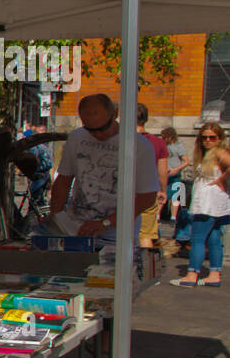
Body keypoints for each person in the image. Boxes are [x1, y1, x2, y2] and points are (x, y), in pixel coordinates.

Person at [42, 93, 159, 245]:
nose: (98, 134)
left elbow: (147, 197)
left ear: (115, 114)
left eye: (103, 128)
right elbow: (64, 179)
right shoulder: (77, 137)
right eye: (90, 129)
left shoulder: (139, 145)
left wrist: (105, 223)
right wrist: (55, 214)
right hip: (76, 229)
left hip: (116, 237)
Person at [171, 122, 230, 286]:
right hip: (213, 203)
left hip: (208, 203)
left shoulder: (219, 152)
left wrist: (221, 180)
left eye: (212, 137)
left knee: (197, 238)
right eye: (204, 137)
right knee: (214, 238)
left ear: (220, 138)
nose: (208, 140)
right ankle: (214, 274)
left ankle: (192, 274)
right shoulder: (208, 154)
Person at [135, 104, 169, 250]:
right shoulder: (158, 142)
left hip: (120, 192)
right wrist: (163, 190)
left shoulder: (118, 139)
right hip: (147, 192)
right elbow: (162, 171)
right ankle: (144, 270)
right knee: (145, 235)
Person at [161, 126, 191, 255]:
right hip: (164, 175)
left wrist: (176, 169)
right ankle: (157, 217)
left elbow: (186, 161)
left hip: (175, 176)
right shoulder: (163, 145)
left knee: (175, 197)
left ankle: (173, 217)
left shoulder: (178, 146)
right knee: (162, 197)